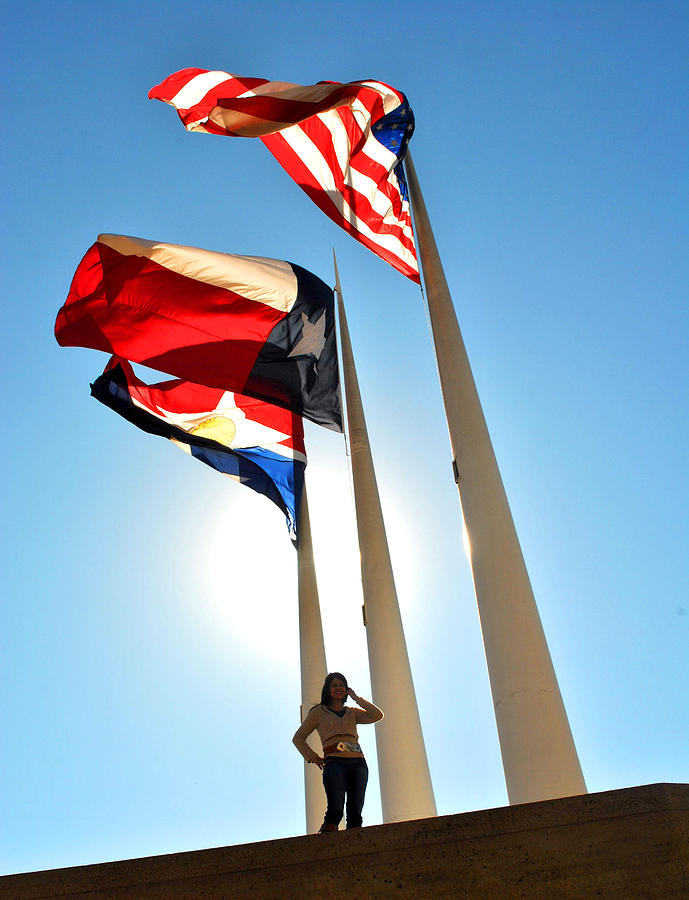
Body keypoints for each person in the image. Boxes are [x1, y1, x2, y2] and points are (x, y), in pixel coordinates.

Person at [293, 672, 383, 832]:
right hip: (334, 762)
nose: (338, 688)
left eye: (341, 685)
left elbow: (377, 715)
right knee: (335, 809)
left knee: (355, 812)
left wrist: (356, 698)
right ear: (327, 690)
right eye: (334, 685)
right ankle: (328, 847)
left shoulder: (352, 712)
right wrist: (313, 757)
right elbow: (298, 738)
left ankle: (354, 848)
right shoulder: (318, 712)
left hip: (358, 763)